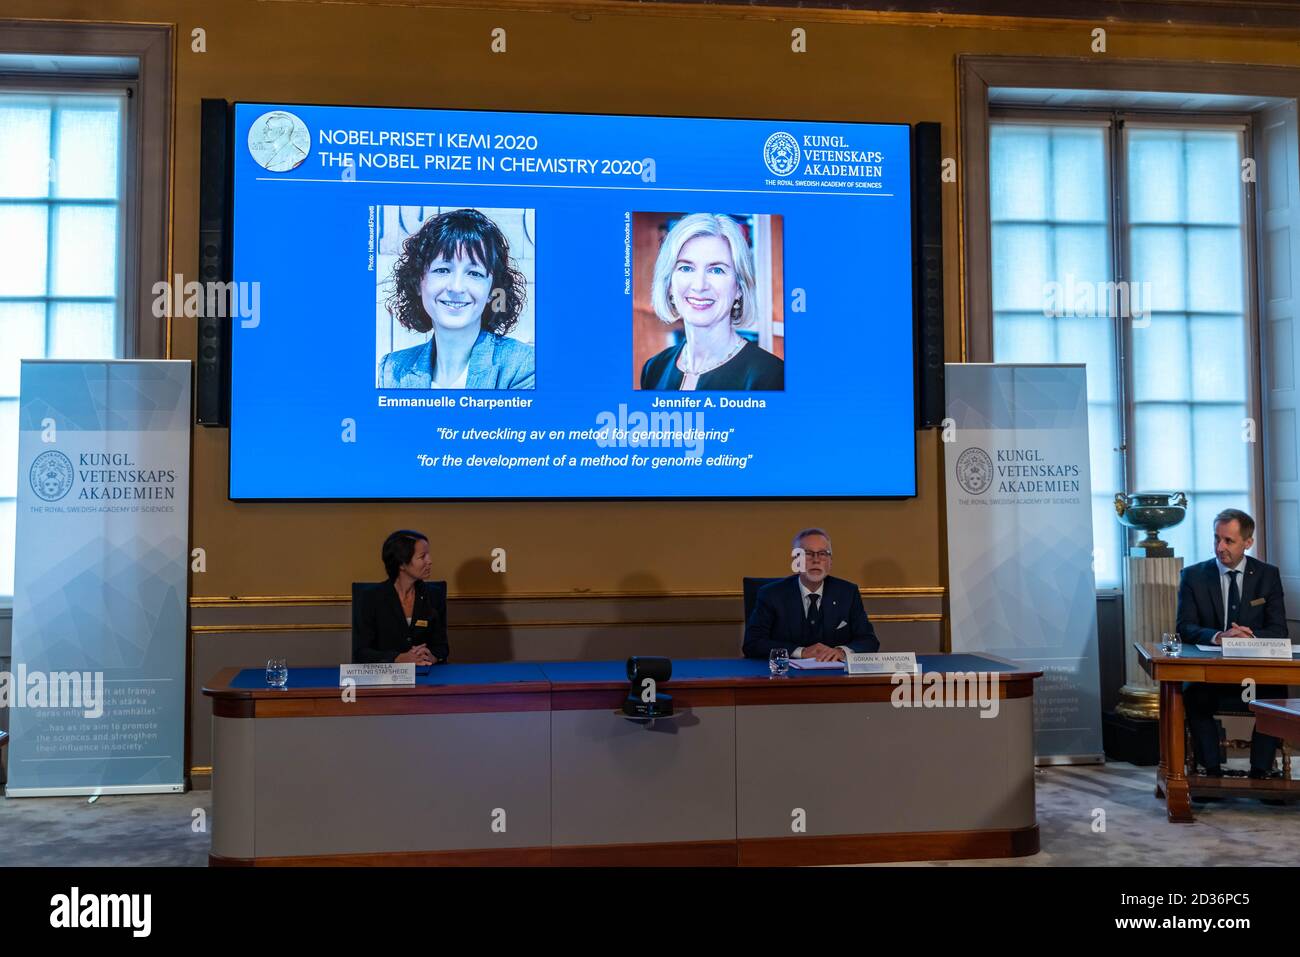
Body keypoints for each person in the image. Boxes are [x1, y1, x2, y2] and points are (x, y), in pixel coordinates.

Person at [1175, 508, 1288, 779]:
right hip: (1211, 675)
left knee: (1275, 695)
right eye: (1216, 539)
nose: (1220, 547)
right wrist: (1218, 636)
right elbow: (1185, 627)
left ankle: (1261, 773)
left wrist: (1251, 636)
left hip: (1253, 677)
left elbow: (1279, 630)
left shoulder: (1267, 576)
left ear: (1247, 543)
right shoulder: (1193, 576)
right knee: (1192, 696)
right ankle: (1210, 771)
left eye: (1228, 541)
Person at [379, 208, 535, 389]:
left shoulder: (524, 366)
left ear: (492, 291)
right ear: (417, 282)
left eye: (474, 273)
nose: (456, 287)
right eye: (442, 270)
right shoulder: (392, 370)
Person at [639, 213, 784, 391]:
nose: (699, 286)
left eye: (716, 270)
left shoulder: (771, 376)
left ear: (739, 287)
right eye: (686, 268)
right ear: (669, 283)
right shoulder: (654, 369)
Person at [742, 528, 878, 661]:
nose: (816, 560)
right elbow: (752, 643)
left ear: (830, 562)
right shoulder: (771, 594)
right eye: (808, 553)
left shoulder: (848, 593)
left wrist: (841, 651)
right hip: (786, 677)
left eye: (823, 553)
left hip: (835, 677)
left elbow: (869, 640)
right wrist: (801, 652)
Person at [353, 529, 449, 665]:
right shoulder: (371, 597)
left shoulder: (433, 595)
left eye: (428, 555)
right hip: (385, 679)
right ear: (402, 564)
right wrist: (398, 658)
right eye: (422, 556)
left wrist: (432, 656)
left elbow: (442, 647)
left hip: (427, 675)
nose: (430, 561)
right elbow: (361, 652)